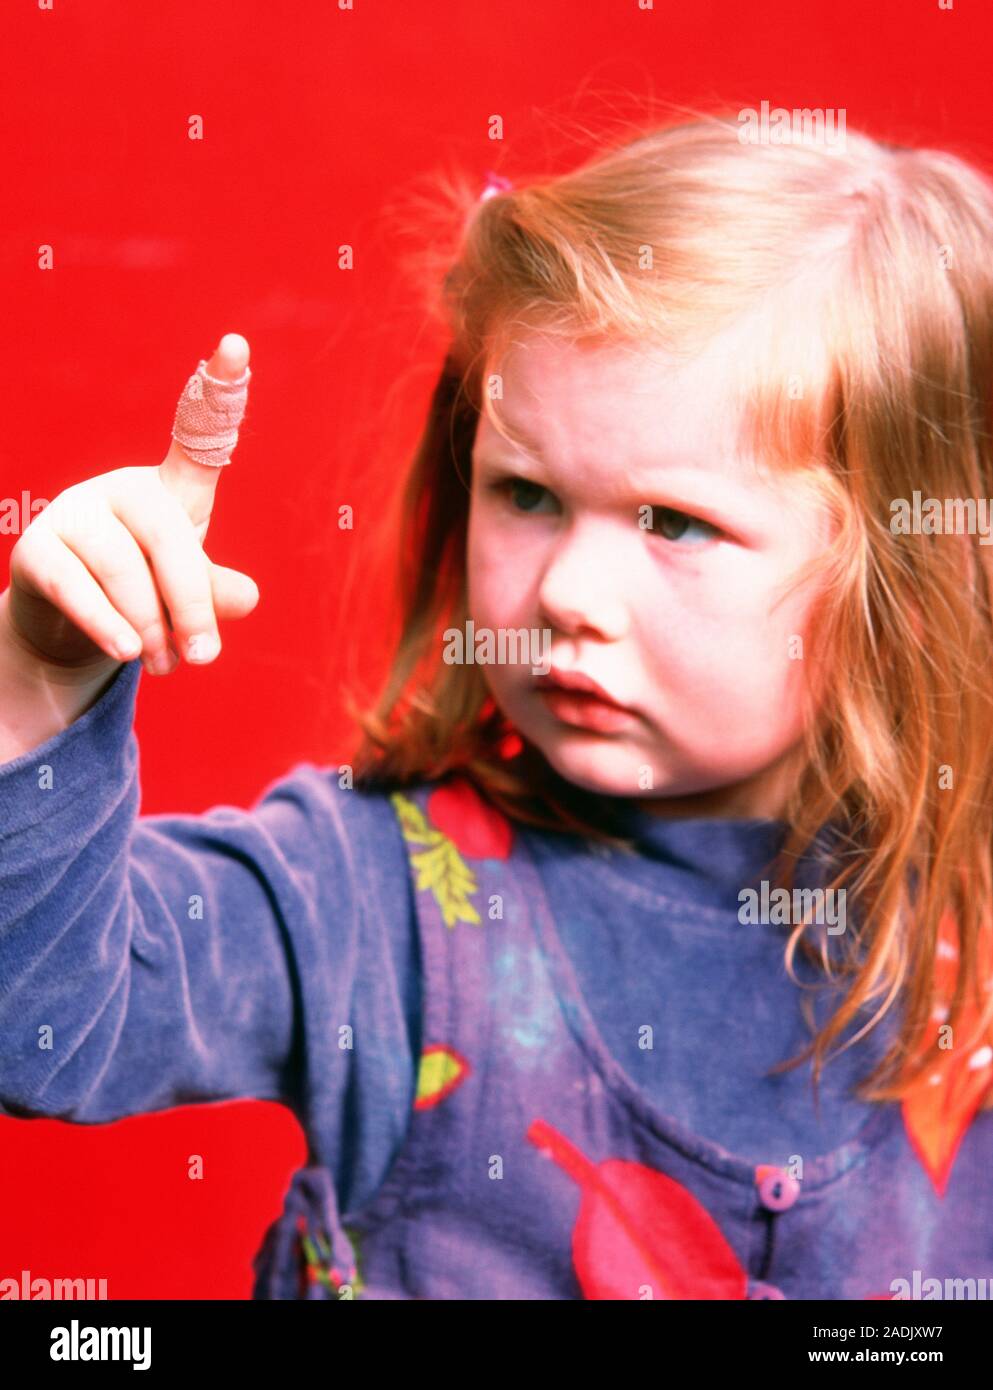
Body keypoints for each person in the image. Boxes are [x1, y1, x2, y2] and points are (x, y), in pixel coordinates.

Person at [3, 112, 993, 1301]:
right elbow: (45, 1028)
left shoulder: (965, 937)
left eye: (674, 522)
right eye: (525, 492)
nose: (567, 591)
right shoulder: (370, 892)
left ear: (908, 578)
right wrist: (41, 676)